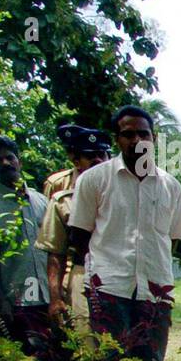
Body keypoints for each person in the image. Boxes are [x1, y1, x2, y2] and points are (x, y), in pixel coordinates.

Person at [68, 105, 181, 361]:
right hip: (109, 289)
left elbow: (172, 241)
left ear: (154, 138)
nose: (136, 140)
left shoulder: (171, 186)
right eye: (128, 134)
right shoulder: (94, 180)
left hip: (155, 292)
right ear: (117, 139)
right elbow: (80, 238)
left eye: (143, 134)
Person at [0, 136, 54, 361]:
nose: (5, 163)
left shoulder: (41, 200)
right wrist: (1, 301)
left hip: (48, 297)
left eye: (9, 157)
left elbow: (55, 249)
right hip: (17, 300)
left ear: (19, 162)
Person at [38, 125, 111, 332]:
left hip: (118, 275)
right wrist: (55, 297)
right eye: (89, 156)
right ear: (76, 161)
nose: (97, 160)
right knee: (84, 338)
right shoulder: (63, 199)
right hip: (79, 272)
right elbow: (55, 250)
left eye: (101, 154)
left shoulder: (124, 194)